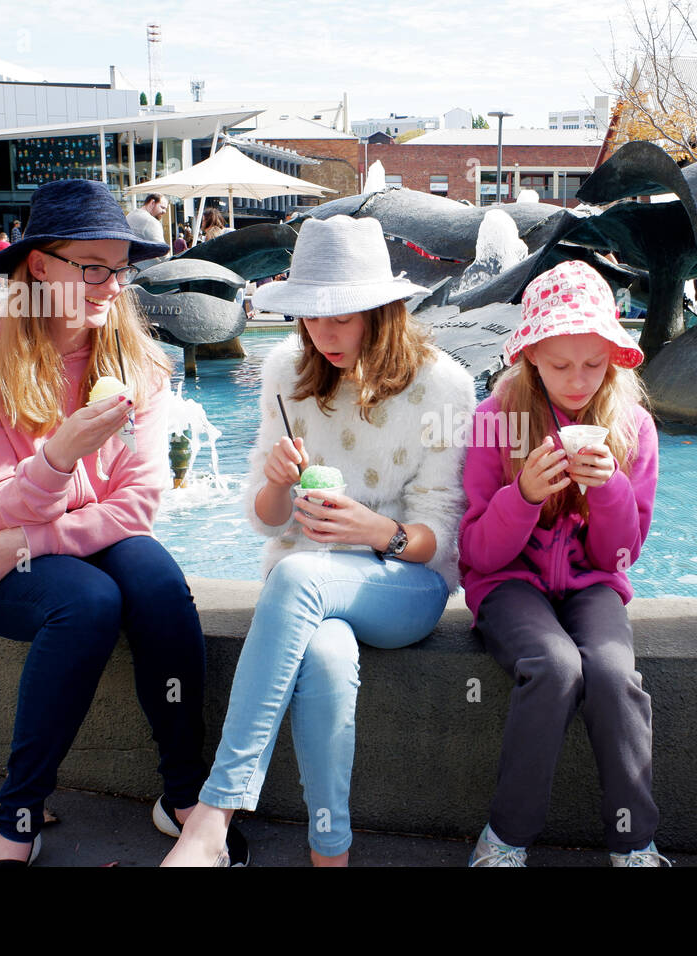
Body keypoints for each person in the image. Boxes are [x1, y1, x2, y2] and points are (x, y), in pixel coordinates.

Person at [0, 179, 246, 867]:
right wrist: (58, 455)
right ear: (40, 266)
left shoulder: (139, 361)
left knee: (158, 582)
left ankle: (184, 794)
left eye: (121, 269)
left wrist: (39, 535)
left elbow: (140, 504)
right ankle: (18, 817)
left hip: (67, 538)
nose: (112, 285)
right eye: (94, 267)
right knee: (87, 602)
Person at [162, 215, 475, 867]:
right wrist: (277, 483)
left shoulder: (443, 385)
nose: (322, 333)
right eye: (309, 315)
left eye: (341, 315)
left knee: (298, 578)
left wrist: (377, 531)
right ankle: (330, 851)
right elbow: (268, 521)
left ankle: (213, 814)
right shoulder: (287, 370)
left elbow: (443, 539)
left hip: (405, 586)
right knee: (327, 658)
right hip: (308, 586)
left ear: (382, 311)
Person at [460, 261, 664, 867]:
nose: (578, 381)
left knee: (610, 671)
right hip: (508, 583)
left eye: (593, 364)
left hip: (592, 585)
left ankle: (634, 841)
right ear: (529, 359)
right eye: (559, 365)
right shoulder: (494, 421)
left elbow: (620, 556)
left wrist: (608, 491)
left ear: (613, 358)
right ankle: (506, 838)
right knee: (553, 666)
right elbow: (476, 554)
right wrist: (520, 497)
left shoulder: (633, 428)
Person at [126, 193, 169, 265]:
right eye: (162, 207)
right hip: (147, 271)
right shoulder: (151, 221)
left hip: (129, 268)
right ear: (152, 203)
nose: (164, 212)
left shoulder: (130, 215)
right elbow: (163, 252)